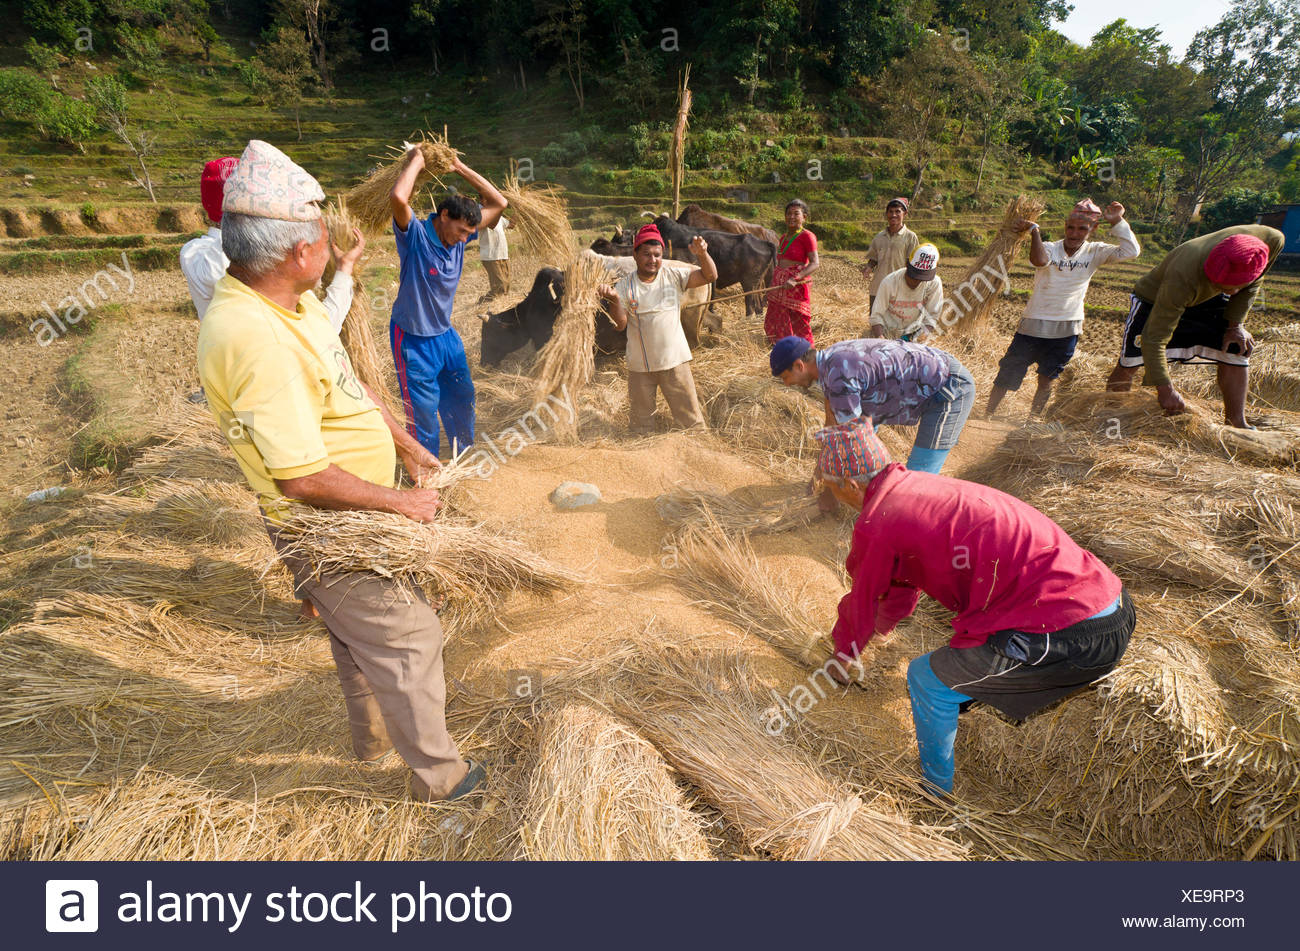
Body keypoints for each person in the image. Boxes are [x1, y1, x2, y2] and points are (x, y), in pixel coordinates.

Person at [197, 139, 483, 803]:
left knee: (358, 639)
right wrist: (400, 503)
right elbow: (301, 478)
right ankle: (443, 781)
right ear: (300, 250)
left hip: (357, 509)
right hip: (328, 524)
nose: (330, 242)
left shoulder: (286, 305)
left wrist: (407, 447)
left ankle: (372, 744)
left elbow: (346, 383)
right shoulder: (254, 337)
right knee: (411, 636)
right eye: (323, 232)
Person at [816, 417, 1135, 796]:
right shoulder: (915, 487)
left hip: (1067, 632)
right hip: (1111, 603)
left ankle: (935, 793)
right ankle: (965, 700)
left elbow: (863, 598)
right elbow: (902, 585)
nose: (831, 494)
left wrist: (842, 655)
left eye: (830, 486)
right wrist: (878, 633)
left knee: (927, 681)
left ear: (851, 485)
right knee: (957, 668)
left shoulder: (876, 522)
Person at [180, 156, 361, 404]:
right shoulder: (214, 259)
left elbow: (322, 326)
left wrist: (344, 270)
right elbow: (325, 328)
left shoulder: (195, 254)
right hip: (265, 394)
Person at [389, 147, 508, 458]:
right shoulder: (414, 236)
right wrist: (417, 159)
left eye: (470, 232)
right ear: (443, 216)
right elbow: (399, 199)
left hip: (444, 335)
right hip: (412, 339)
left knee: (462, 395)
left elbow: (500, 203)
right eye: (461, 230)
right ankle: (426, 472)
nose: (465, 237)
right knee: (423, 411)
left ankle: (462, 457)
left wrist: (458, 166)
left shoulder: (459, 237)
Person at [1106, 224, 1284, 428]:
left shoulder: (1272, 241)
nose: (1233, 293)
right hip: (1157, 298)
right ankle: (1113, 419)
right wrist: (1165, 389)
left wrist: (1235, 325)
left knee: (1236, 349)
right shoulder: (1182, 275)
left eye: (1235, 288)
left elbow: (1255, 282)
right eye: (1224, 287)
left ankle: (1237, 422)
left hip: (1211, 300)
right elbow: (1153, 338)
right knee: (1131, 360)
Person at [986, 199, 1139, 417]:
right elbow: (1039, 261)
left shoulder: (1095, 252)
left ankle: (1032, 420)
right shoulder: (1049, 247)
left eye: (1082, 229)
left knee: (1047, 378)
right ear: (1065, 226)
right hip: (1033, 324)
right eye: (1070, 227)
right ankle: (987, 414)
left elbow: (1131, 251)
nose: (1074, 233)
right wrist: (1034, 231)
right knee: (1008, 372)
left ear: (1093, 229)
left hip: (1067, 328)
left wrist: (1118, 222)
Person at [770, 334, 975, 479]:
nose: (787, 384)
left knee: (917, 479)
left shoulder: (838, 376)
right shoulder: (831, 361)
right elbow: (837, 424)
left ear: (799, 365)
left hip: (949, 389)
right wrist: (823, 475)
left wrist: (833, 486)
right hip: (936, 374)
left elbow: (853, 441)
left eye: (786, 377)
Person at [599, 223, 716, 434]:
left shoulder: (673, 276)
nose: (652, 260)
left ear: (662, 255)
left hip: (674, 362)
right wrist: (614, 299)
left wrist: (703, 254)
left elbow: (710, 277)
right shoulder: (625, 286)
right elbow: (620, 324)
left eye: (657, 254)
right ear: (635, 255)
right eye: (646, 254)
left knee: (692, 424)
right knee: (641, 428)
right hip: (640, 367)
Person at [763, 198, 819, 344]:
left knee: (799, 322)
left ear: (804, 217)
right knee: (776, 319)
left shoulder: (807, 236)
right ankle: (782, 349)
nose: (791, 217)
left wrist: (795, 278)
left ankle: (805, 354)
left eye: (796, 214)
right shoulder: (783, 237)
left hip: (795, 286)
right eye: (788, 214)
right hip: (779, 287)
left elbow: (815, 263)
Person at [868, 243, 944, 342]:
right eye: (913, 276)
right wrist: (880, 338)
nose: (915, 282)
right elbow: (876, 316)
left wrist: (920, 337)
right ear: (907, 265)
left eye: (921, 279)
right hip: (887, 332)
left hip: (914, 333)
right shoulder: (890, 282)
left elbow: (932, 316)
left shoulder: (934, 283)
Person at [861, 197, 920, 312]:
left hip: (899, 288)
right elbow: (874, 258)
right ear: (886, 214)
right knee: (875, 320)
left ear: (905, 213)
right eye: (890, 212)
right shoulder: (879, 237)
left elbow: (912, 264)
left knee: (896, 323)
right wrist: (868, 267)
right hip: (878, 287)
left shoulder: (910, 237)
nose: (893, 215)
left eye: (897, 211)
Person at [477, 210, 513, 303]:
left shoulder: (498, 215)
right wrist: (499, 208)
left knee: (507, 284)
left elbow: (511, 225)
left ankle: (500, 303)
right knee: (500, 285)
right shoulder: (481, 213)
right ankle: (485, 302)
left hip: (503, 254)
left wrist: (517, 212)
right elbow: (491, 224)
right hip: (491, 255)